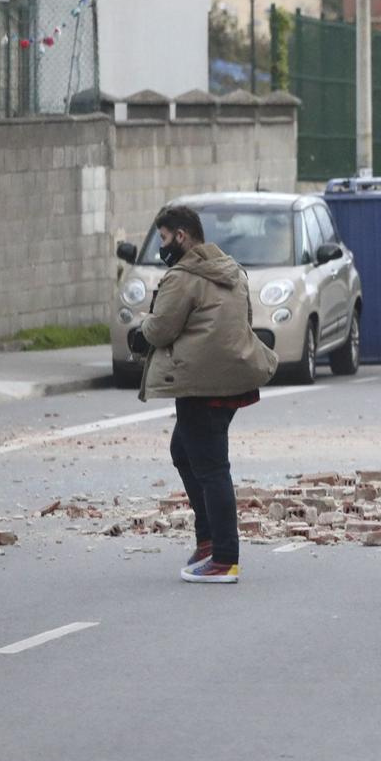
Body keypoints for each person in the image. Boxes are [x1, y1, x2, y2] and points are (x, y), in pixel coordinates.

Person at [127, 205, 279, 584]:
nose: (162, 246)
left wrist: (140, 333)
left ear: (181, 236)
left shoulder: (183, 277)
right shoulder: (231, 270)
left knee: (211, 468)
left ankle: (224, 558)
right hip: (232, 378)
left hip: (199, 384)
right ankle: (208, 540)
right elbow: (242, 321)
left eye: (164, 238)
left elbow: (161, 329)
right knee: (184, 450)